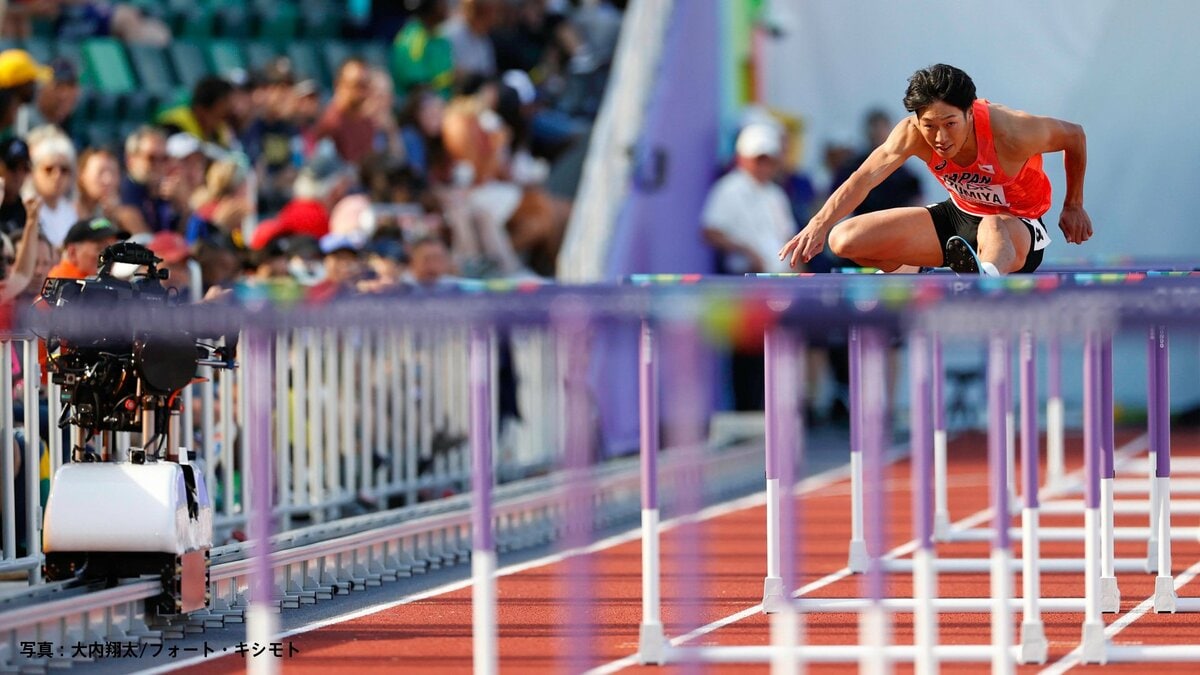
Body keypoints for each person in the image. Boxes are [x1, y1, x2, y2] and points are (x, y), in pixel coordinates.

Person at [779, 64, 1093, 275]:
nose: (940, 139)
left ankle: (983, 283)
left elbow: (1074, 136)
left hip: (1016, 226)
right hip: (958, 216)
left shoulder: (1013, 131)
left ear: (970, 113)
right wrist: (817, 225)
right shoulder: (911, 133)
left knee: (993, 225)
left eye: (950, 124)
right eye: (929, 125)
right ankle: (923, 270)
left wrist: (1073, 204)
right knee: (843, 239)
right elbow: (863, 179)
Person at [702, 123, 799, 274]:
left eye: (768, 160)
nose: (764, 166)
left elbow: (788, 237)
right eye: (759, 159)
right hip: (743, 279)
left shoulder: (776, 194)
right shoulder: (728, 189)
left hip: (779, 278)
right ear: (742, 158)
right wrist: (746, 251)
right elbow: (710, 232)